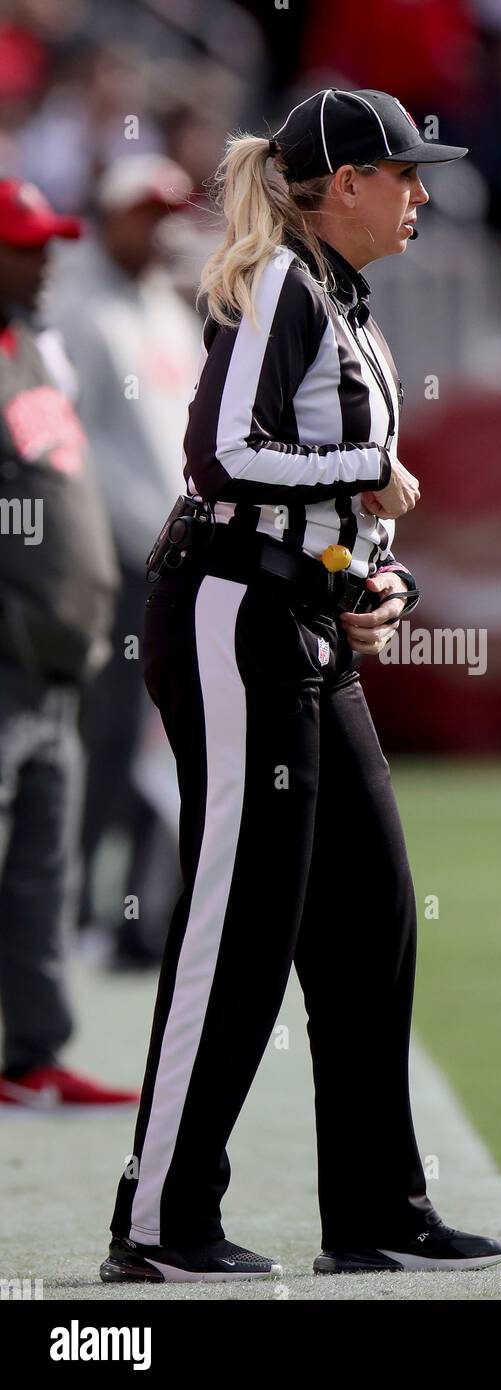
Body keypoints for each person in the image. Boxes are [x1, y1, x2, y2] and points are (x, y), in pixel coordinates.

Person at [99, 88, 501, 1282]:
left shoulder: (341, 299)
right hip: (232, 616)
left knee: (369, 913)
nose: (420, 192)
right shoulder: (281, 278)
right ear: (342, 184)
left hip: (295, 617)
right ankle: (160, 1219)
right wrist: (369, 466)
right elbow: (223, 451)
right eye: (402, 171)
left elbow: (328, 504)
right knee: (239, 920)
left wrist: (383, 582)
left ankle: (377, 1204)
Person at [0, 179, 136, 1108]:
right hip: (3, 656)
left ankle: (34, 1056)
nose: (47, 260)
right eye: (26, 244)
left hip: (52, 660)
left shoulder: (36, 348)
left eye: (50, 244)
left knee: (44, 869)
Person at [46, 155, 201, 968]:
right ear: (110, 218)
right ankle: (70, 909)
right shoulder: (79, 315)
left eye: (172, 215)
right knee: (104, 740)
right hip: (118, 564)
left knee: (169, 739)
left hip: (174, 559)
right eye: (148, 213)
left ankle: (142, 918)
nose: (163, 229)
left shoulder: (166, 312)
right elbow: (71, 450)